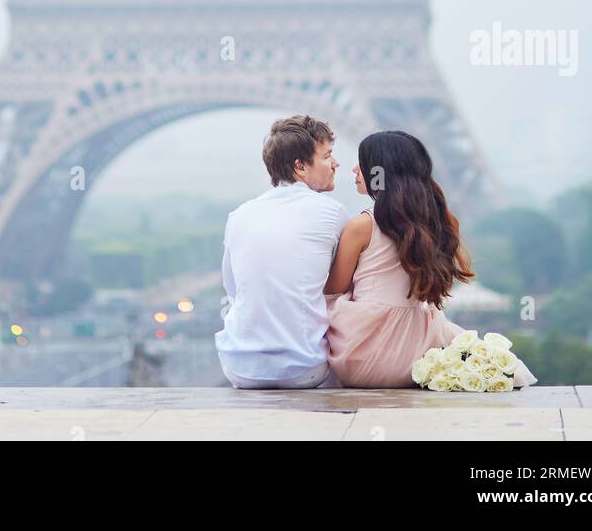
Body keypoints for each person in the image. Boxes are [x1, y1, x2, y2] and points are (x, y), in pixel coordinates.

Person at [325, 130, 538, 388]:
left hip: (361, 357)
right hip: (416, 356)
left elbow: (332, 293)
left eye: (363, 162)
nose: (354, 169)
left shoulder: (361, 225)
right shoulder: (432, 223)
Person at [214, 115, 350, 388]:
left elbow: (234, 292)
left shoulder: (239, 216)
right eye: (327, 156)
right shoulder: (332, 213)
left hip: (240, 369)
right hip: (305, 370)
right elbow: (342, 287)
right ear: (300, 166)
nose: (336, 163)